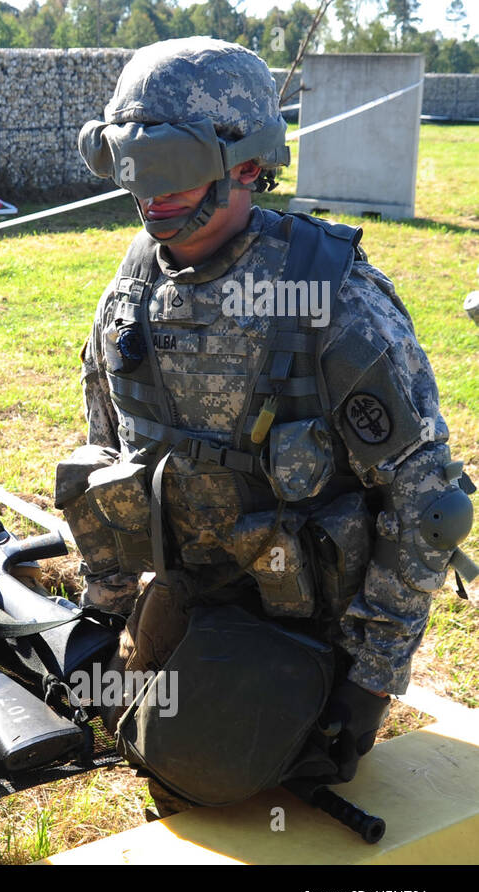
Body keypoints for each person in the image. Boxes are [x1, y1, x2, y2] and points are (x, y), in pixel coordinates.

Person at [56, 38, 473, 810]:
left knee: (206, 771)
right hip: (195, 589)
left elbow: (431, 508)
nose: (152, 197)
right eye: (127, 163)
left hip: (310, 624)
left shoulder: (331, 300)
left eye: (171, 167)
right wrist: (101, 606)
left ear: (248, 165)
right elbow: (109, 459)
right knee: (126, 732)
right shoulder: (133, 290)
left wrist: (371, 681)